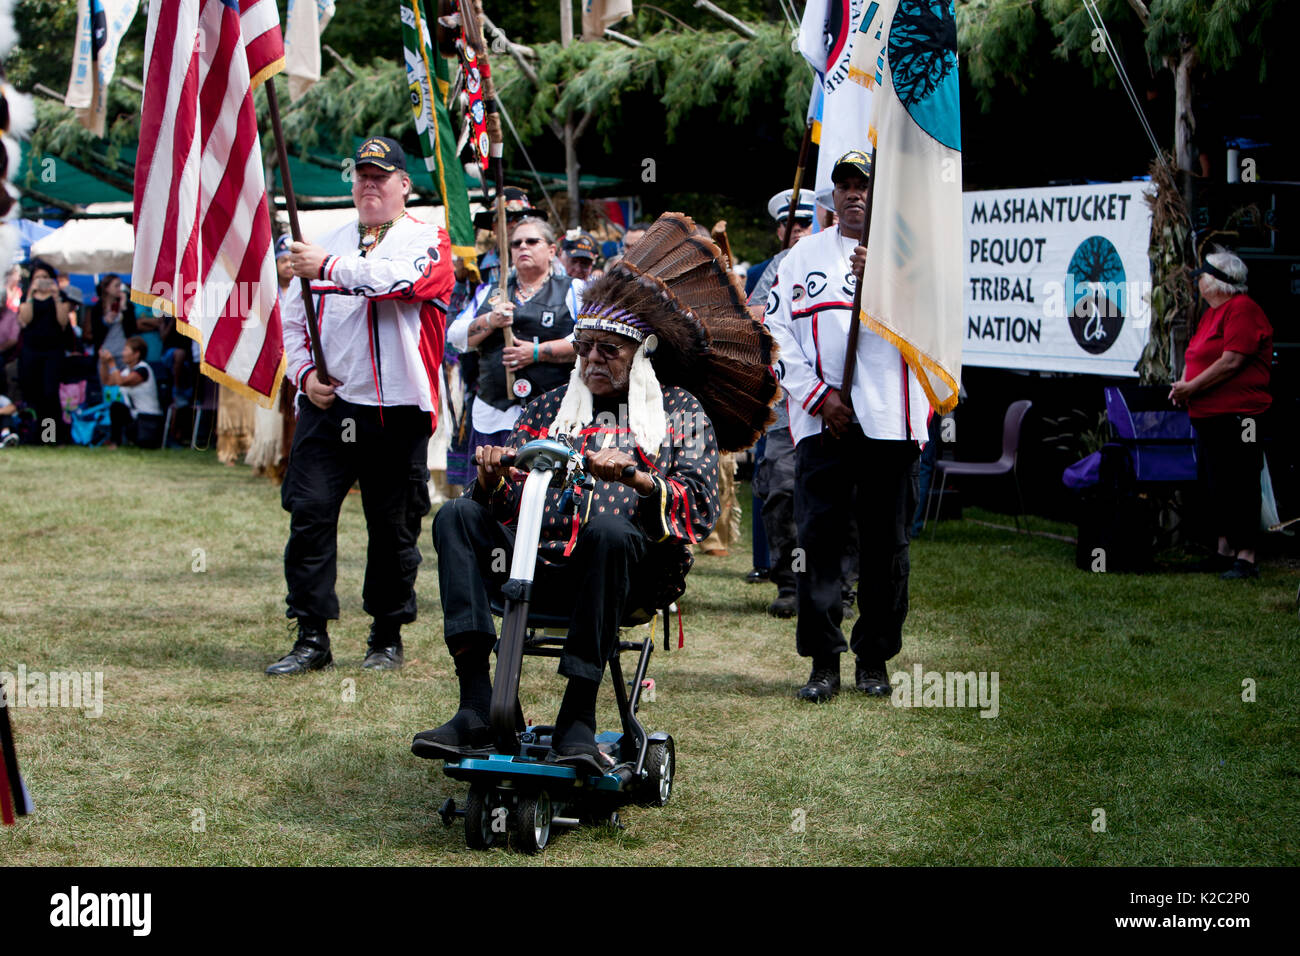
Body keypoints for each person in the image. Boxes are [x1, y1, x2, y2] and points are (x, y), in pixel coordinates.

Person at [413, 212, 777, 770]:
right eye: (584, 348)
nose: (591, 361)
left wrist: (633, 474)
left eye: (608, 350)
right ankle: (476, 707)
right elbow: (508, 501)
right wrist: (488, 483)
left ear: (641, 354)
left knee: (609, 530)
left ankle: (578, 717)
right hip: (534, 566)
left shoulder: (678, 413)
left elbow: (698, 508)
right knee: (456, 517)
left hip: (628, 572)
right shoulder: (546, 409)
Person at [265, 135, 455, 676]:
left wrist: (328, 265)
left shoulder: (426, 239)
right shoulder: (320, 241)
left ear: (403, 185)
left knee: (394, 527)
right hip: (331, 407)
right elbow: (291, 323)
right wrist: (304, 375)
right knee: (309, 514)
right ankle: (310, 637)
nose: (370, 184)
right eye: (362, 176)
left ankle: (386, 636)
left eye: (381, 176)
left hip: (397, 411)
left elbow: (402, 282)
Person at [766, 149, 929, 702]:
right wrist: (819, 397)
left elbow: (935, 335)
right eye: (845, 184)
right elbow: (775, 335)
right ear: (832, 195)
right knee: (818, 544)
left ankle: (874, 659)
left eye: (865, 184)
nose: (854, 193)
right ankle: (823, 663)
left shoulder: (911, 255)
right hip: (824, 425)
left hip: (891, 424)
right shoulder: (800, 256)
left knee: (887, 547)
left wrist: (883, 282)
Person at [1169, 247, 1273, 580]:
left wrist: (1192, 387)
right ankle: (1223, 550)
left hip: (1243, 416)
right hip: (1209, 415)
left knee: (1242, 478)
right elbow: (1195, 353)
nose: (1198, 278)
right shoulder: (1211, 313)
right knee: (1218, 482)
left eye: (1203, 273)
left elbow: (1232, 361)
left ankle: (1246, 557)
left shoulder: (1242, 309)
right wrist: (1184, 386)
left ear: (1217, 282)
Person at [446, 216, 580, 459]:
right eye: (516, 244)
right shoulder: (491, 291)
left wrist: (537, 352)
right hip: (494, 413)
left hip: (554, 412)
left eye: (531, 241)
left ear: (552, 250)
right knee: (493, 486)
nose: (523, 247)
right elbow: (456, 338)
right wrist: (489, 321)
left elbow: (588, 340)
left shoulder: (574, 289)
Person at [17, 259, 71, 443]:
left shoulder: (59, 297)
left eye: (45, 277)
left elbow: (64, 322)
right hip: (32, 351)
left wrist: (55, 296)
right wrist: (31, 294)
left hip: (52, 351)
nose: (41, 281)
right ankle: (38, 436)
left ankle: (51, 436)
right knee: (35, 393)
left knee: (50, 393)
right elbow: (25, 320)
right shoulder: (27, 297)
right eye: (38, 277)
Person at [98, 335, 163, 448]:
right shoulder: (127, 371)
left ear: (136, 354)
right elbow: (107, 381)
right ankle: (115, 442)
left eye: (126, 350)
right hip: (135, 416)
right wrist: (104, 363)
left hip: (148, 418)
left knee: (144, 444)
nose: (122, 353)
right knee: (116, 407)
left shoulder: (143, 369)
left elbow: (121, 382)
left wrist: (112, 363)